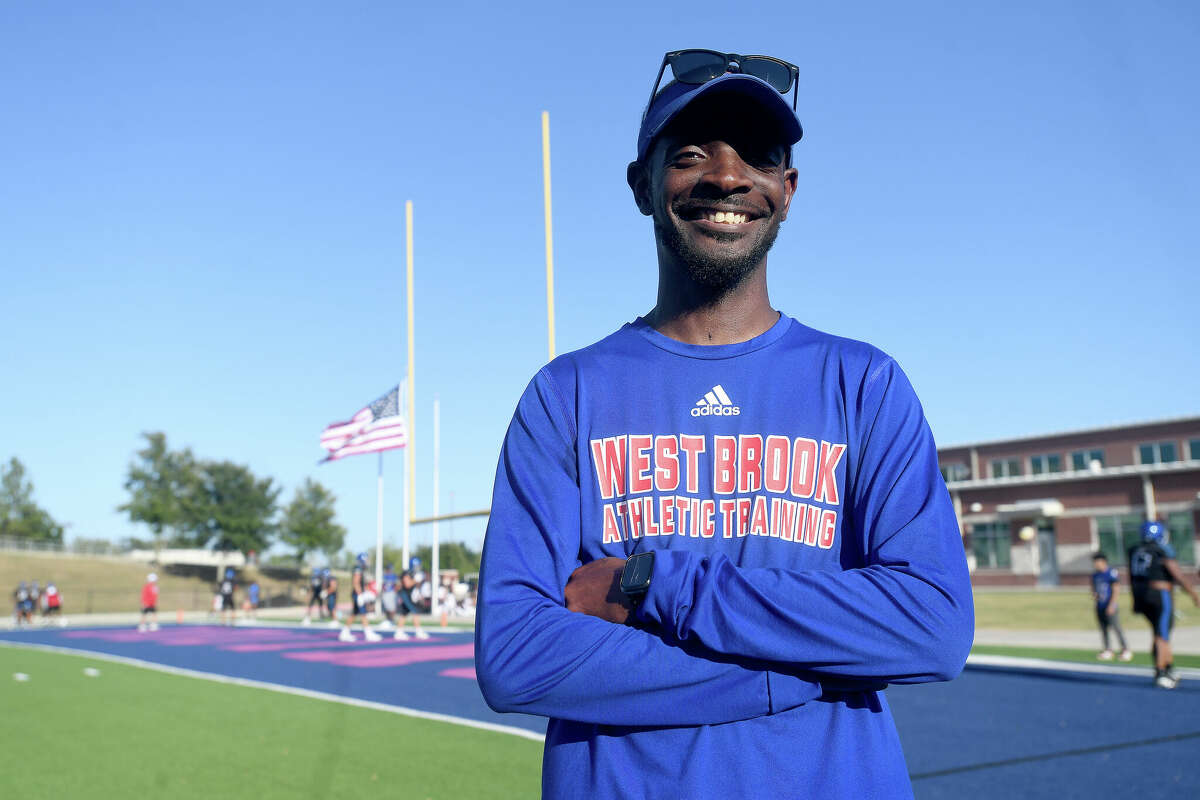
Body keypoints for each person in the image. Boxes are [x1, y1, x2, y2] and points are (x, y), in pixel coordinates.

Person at [474, 48, 974, 799]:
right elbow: (516, 654)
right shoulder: (565, 394)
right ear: (643, 185)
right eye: (691, 153)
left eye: (758, 157)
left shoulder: (864, 384)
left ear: (787, 188)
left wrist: (654, 584)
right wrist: (796, 671)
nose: (727, 177)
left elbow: (930, 626)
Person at [1128, 520, 1199, 688]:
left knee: (1158, 631)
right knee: (1162, 634)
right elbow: (1177, 574)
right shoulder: (1161, 549)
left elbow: (1134, 576)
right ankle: (1161, 672)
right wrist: (1194, 594)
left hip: (1141, 594)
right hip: (1160, 594)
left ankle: (1167, 668)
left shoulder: (1134, 550)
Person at [1090, 552, 1131, 661]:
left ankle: (1125, 649)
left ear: (1103, 562)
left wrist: (1112, 604)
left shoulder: (1110, 573)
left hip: (1110, 605)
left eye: (1097, 562)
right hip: (1100, 605)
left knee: (1116, 628)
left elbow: (1116, 589)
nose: (1095, 564)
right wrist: (1095, 595)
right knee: (1103, 629)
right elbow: (1094, 588)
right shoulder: (1095, 575)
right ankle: (1108, 649)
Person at [339, 553, 381, 642]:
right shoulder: (358, 569)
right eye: (366, 560)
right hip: (357, 595)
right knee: (363, 614)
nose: (367, 562)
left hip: (358, 594)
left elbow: (361, 583)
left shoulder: (360, 569)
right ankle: (368, 633)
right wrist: (360, 595)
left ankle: (344, 633)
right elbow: (356, 583)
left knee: (354, 614)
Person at [392, 570, 429, 641]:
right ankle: (418, 631)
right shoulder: (406, 573)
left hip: (408, 595)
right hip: (405, 595)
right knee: (415, 612)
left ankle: (399, 632)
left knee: (404, 614)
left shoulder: (411, 573)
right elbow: (407, 585)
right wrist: (415, 581)